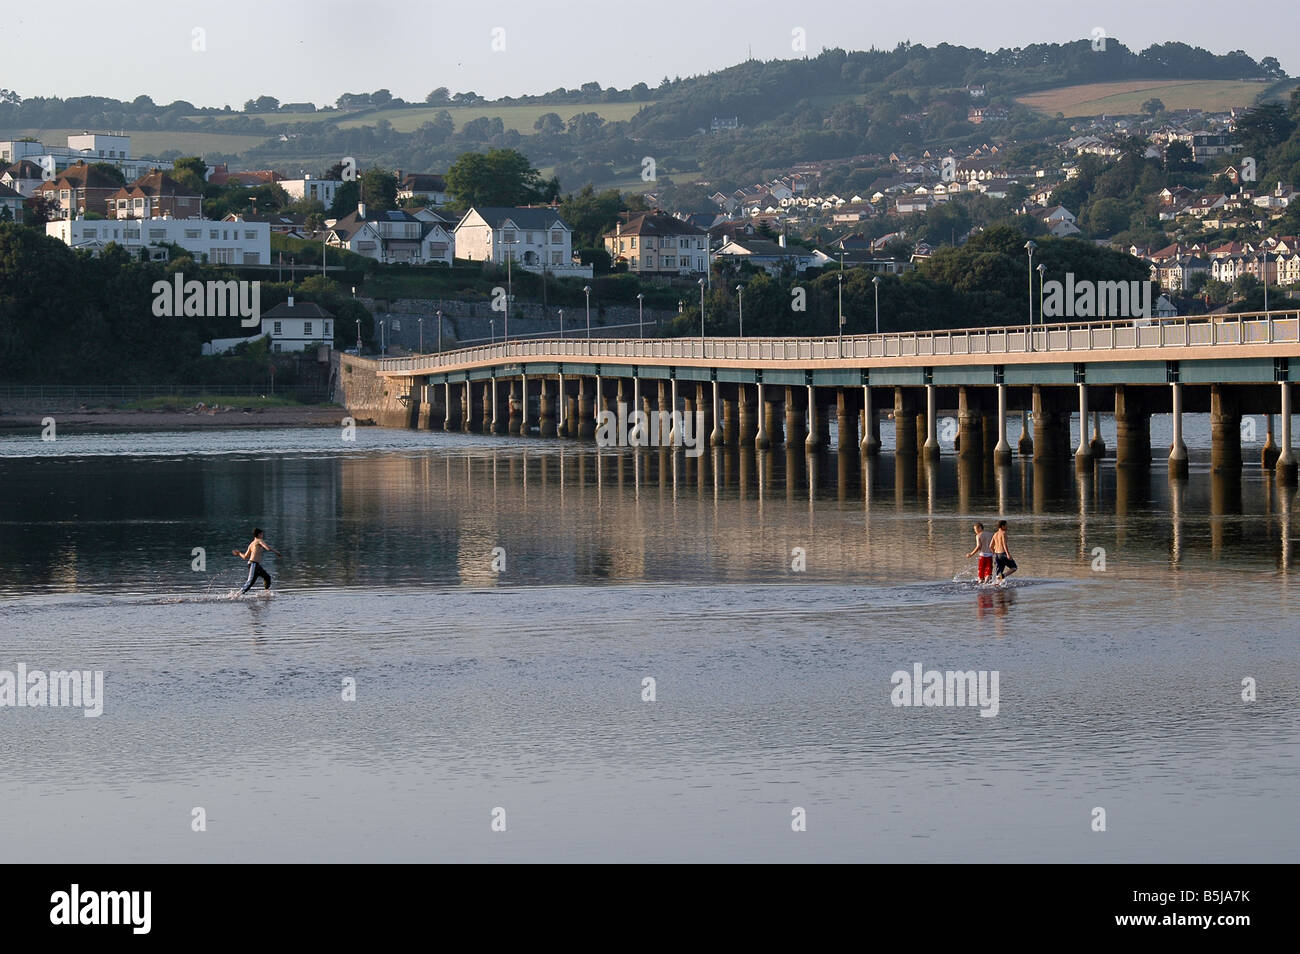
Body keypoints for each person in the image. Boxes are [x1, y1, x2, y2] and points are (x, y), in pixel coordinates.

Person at [234, 528, 282, 595]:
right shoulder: (259, 540)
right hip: (253, 564)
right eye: (262, 534)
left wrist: (239, 553)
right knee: (250, 582)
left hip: (256, 565)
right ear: (259, 534)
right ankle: (237, 595)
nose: (263, 535)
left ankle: (267, 593)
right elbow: (267, 548)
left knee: (267, 577)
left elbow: (245, 557)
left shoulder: (251, 544)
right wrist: (276, 552)